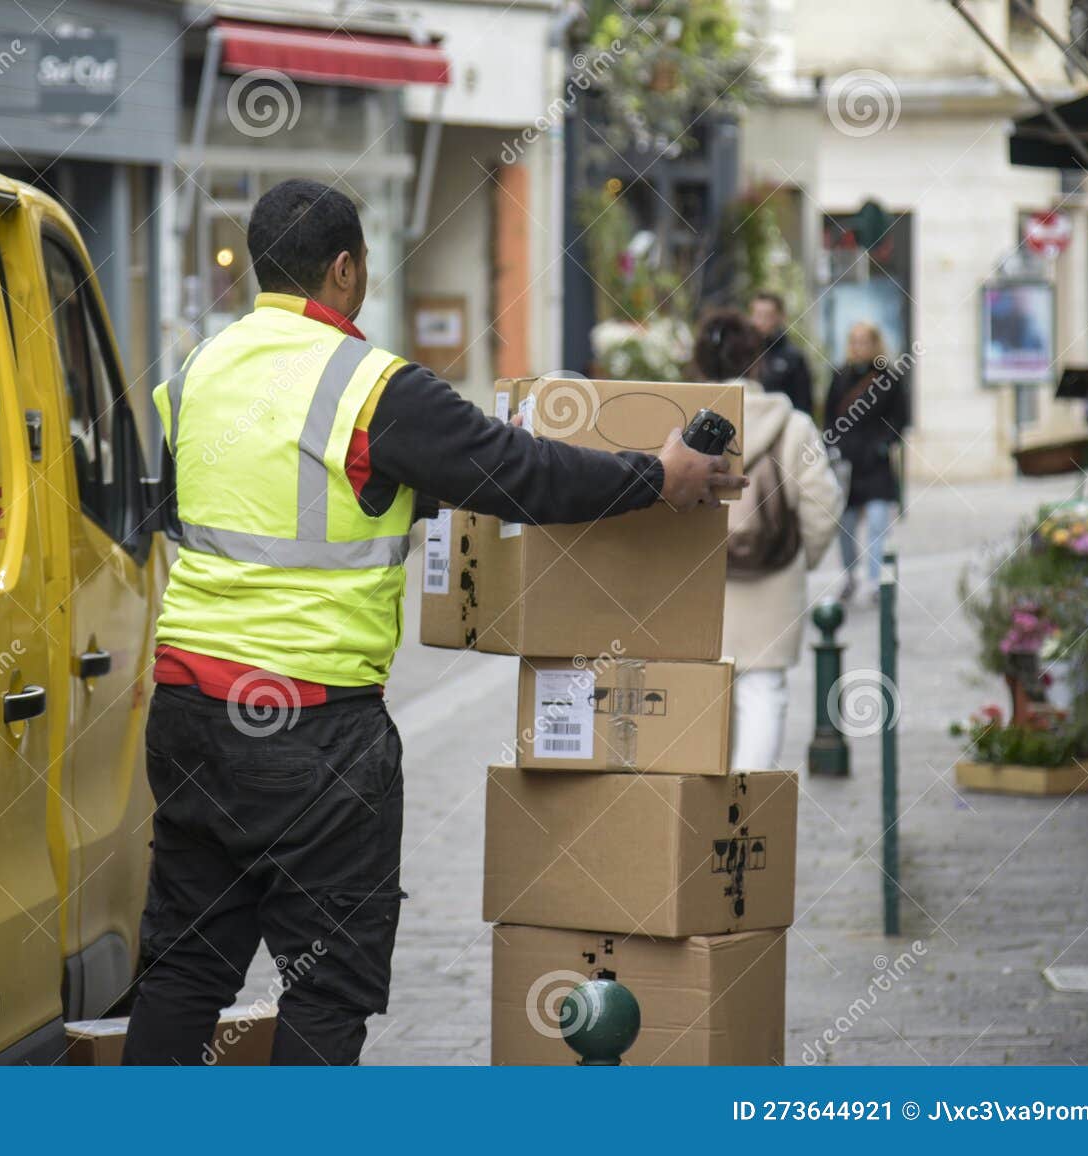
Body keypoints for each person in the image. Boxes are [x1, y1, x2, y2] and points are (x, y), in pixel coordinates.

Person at [122, 178, 746, 1066]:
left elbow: (245, 506)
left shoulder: (196, 375)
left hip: (189, 714)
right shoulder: (368, 385)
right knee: (326, 981)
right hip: (313, 728)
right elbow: (520, 474)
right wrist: (658, 476)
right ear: (345, 269)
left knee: (186, 965)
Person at [699, 310, 841, 770]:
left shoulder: (683, 422)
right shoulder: (792, 425)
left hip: (701, 580)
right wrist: (802, 558)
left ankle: (703, 798)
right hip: (772, 578)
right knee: (763, 690)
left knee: (703, 691)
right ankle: (746, 804)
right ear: (757, 362)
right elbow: (823, 504)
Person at [823, 321, 907, 604]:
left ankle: (875, 582)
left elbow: (900, 419)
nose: (859, 346)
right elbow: (829, 419)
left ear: (875, 344)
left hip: (876, 465)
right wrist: (833, 448)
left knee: (877, 524)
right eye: (854, 341)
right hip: (848, 466)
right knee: (845, 525)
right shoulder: (841, 376)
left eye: (864, 341)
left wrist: (882, 445)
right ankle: (850, 576)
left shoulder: (889, 377)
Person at [748, 290, 814, 416]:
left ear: (780, 317)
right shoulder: (741, 354)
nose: (760, 322)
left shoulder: (794, 357)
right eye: (757, 315)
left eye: (767, 316)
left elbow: (803, 406)